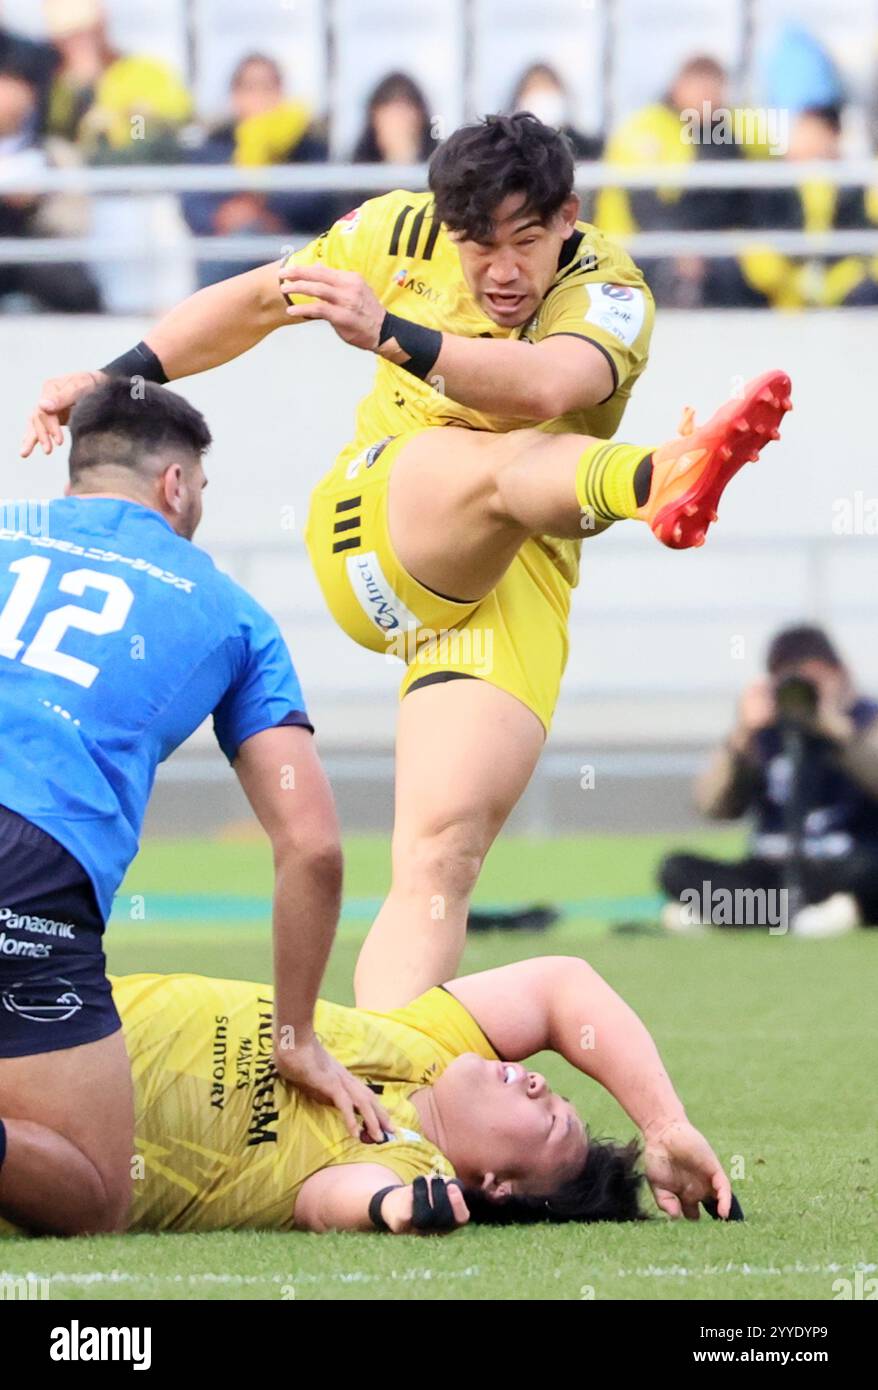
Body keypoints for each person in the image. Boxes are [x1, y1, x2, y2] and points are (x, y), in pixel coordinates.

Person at [20, 113, 792, 1013]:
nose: (501, 271)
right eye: (476, 245)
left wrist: (388, 330)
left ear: (569, 218)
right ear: (442, 221)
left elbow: (553, 385)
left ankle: (385, 1093)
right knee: (503, 463)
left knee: (440, 858)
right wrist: (118, 379)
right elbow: (258, 301)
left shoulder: (613, 288)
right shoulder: (392, 230)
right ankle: (659, 475)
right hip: (378, 522)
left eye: (526, 242)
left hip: (518, 572)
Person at [0, 379, 388, 1238]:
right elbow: (313, 847)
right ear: (175, 485)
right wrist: (296, 1037)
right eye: (201, 489)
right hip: (29, 860)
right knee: (96, 1195)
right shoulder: (233, 615)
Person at [0, 952, 735, 1236]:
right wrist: (664, 1124)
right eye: (555, 1092)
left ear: (491, 1185)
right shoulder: (428, 1047)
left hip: (38, 1138)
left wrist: (395, 1212)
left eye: (546, 1121)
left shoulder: (411, 1163)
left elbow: (336, 1201)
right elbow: (561, 987)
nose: (541, 1081)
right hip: (39, 1003)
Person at [659, 625, 878, 936]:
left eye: (817, 675)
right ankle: (814, 918)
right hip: (772, 869)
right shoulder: (764, 732)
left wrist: (838, 732)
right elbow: (712, 806)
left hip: (841, 866)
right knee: (676, 868)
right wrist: (743, 736)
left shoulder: (864, 720)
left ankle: (732, 914)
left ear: (842, 674)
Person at [182, 53, 334, 289]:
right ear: (235, 96)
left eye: (268, 86)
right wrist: (225, 215)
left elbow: (317, 201)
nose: (260, 97)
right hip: (231, 255)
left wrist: (260, 212)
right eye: (251, 87)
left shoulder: (306, 145)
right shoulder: (215, 144)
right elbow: (195, 205)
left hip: (289, 249)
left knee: (252, 237)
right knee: (238, 244)